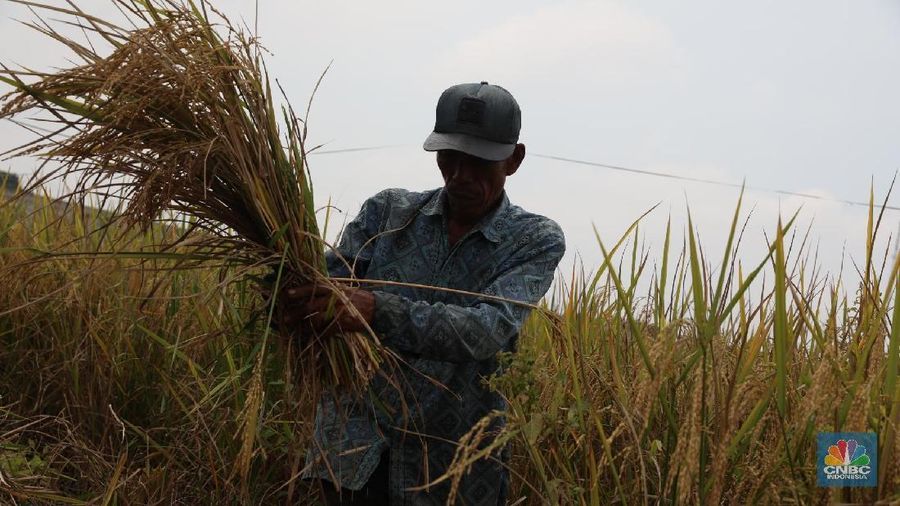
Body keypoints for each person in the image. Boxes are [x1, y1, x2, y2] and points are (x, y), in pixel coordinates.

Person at [281, 82, 566, 505]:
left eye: (479, 161)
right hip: (353, 454)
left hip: (449, 470)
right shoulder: (388, 212)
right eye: (450, 157)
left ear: (514, 159)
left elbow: (486, 330)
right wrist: (294, 297)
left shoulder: (533, 240)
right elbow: (329, 285)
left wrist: (376, 310)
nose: (461, 175)